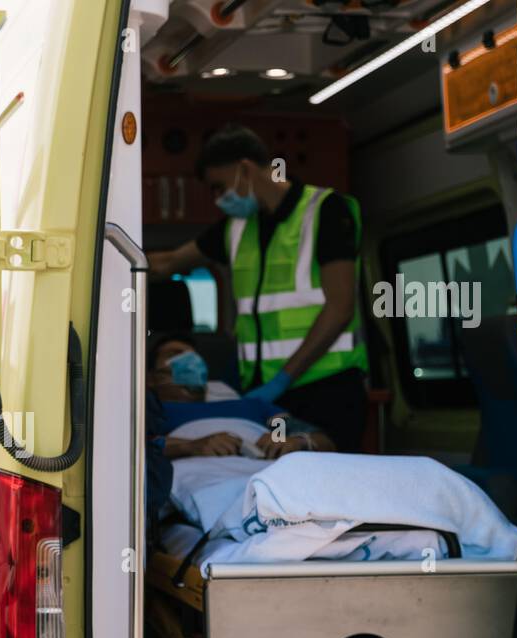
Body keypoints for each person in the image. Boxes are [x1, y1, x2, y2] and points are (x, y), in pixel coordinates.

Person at [148, 124, 369, 451]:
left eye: (219, 187)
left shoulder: (324, 211)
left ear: (245, 169)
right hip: (273, 399)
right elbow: (168, 263)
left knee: (324, 491)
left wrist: (283, 379)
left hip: (327, 390)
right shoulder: (236, 228)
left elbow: (340, 308)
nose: (218, 199)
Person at [146, 332, 334, 460]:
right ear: (150, 378)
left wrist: (288, 441)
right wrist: (190, 447)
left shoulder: (252, 405)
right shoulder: (151, 410)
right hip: (204, 472)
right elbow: (136, 450)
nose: (191, 361)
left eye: (195, 356)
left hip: (267, 466)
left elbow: (317, 439)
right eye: (175, 354)